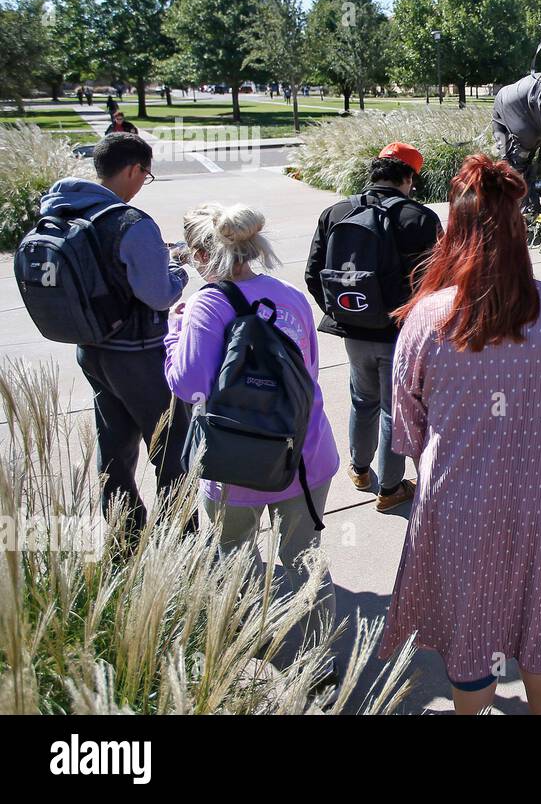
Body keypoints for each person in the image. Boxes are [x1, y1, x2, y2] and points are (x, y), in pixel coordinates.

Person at [378, 154, 541, 715]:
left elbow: (407, 426)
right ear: (521, 227)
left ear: (453, 230)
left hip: (461, 501)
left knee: (471, 622)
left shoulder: (427, 317)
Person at [164, 203, 340, 654]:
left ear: (203, 255)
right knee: (304, 562)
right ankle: (320, 660)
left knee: (235, 557)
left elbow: (189, 386)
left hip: (234, 463)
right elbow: (310, 370)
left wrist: (175, 331)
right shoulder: (289, 295)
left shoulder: (206, 305)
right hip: (303, 454)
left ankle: (241, 642)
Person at [38, 133, 189, 536]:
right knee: (173, 449)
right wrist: (179, 271)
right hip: (137, 354)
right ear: (134, 169)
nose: (143, 183)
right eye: (146, 175)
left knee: (115, 449)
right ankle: (183, 544)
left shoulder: (63, 212)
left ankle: (125, 535)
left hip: (91, 347)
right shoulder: (130, 223)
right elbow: (158, 296)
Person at [305, 143, 442, 513]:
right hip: (400, 333)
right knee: (392, 409)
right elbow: (437, 283)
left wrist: (344, 312)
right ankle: (391, 488)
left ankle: (361, 470)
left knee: (362, 400)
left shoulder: (336, 212)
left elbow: (312, 272)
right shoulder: (420, 218)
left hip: (353, 330)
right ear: (409, 176)